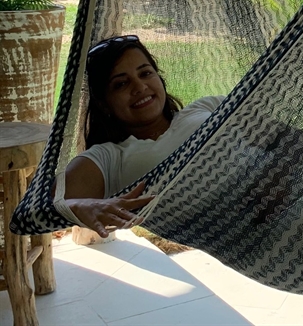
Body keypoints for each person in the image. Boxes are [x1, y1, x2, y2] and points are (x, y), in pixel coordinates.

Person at [60, 35, 225, 238]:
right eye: (121, 84)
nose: (139, 87)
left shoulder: (210, 106)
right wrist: (78, 206)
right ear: (104, 103)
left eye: (145, 73)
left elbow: (273, 137)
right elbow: (34, 211)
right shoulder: (110, 158)